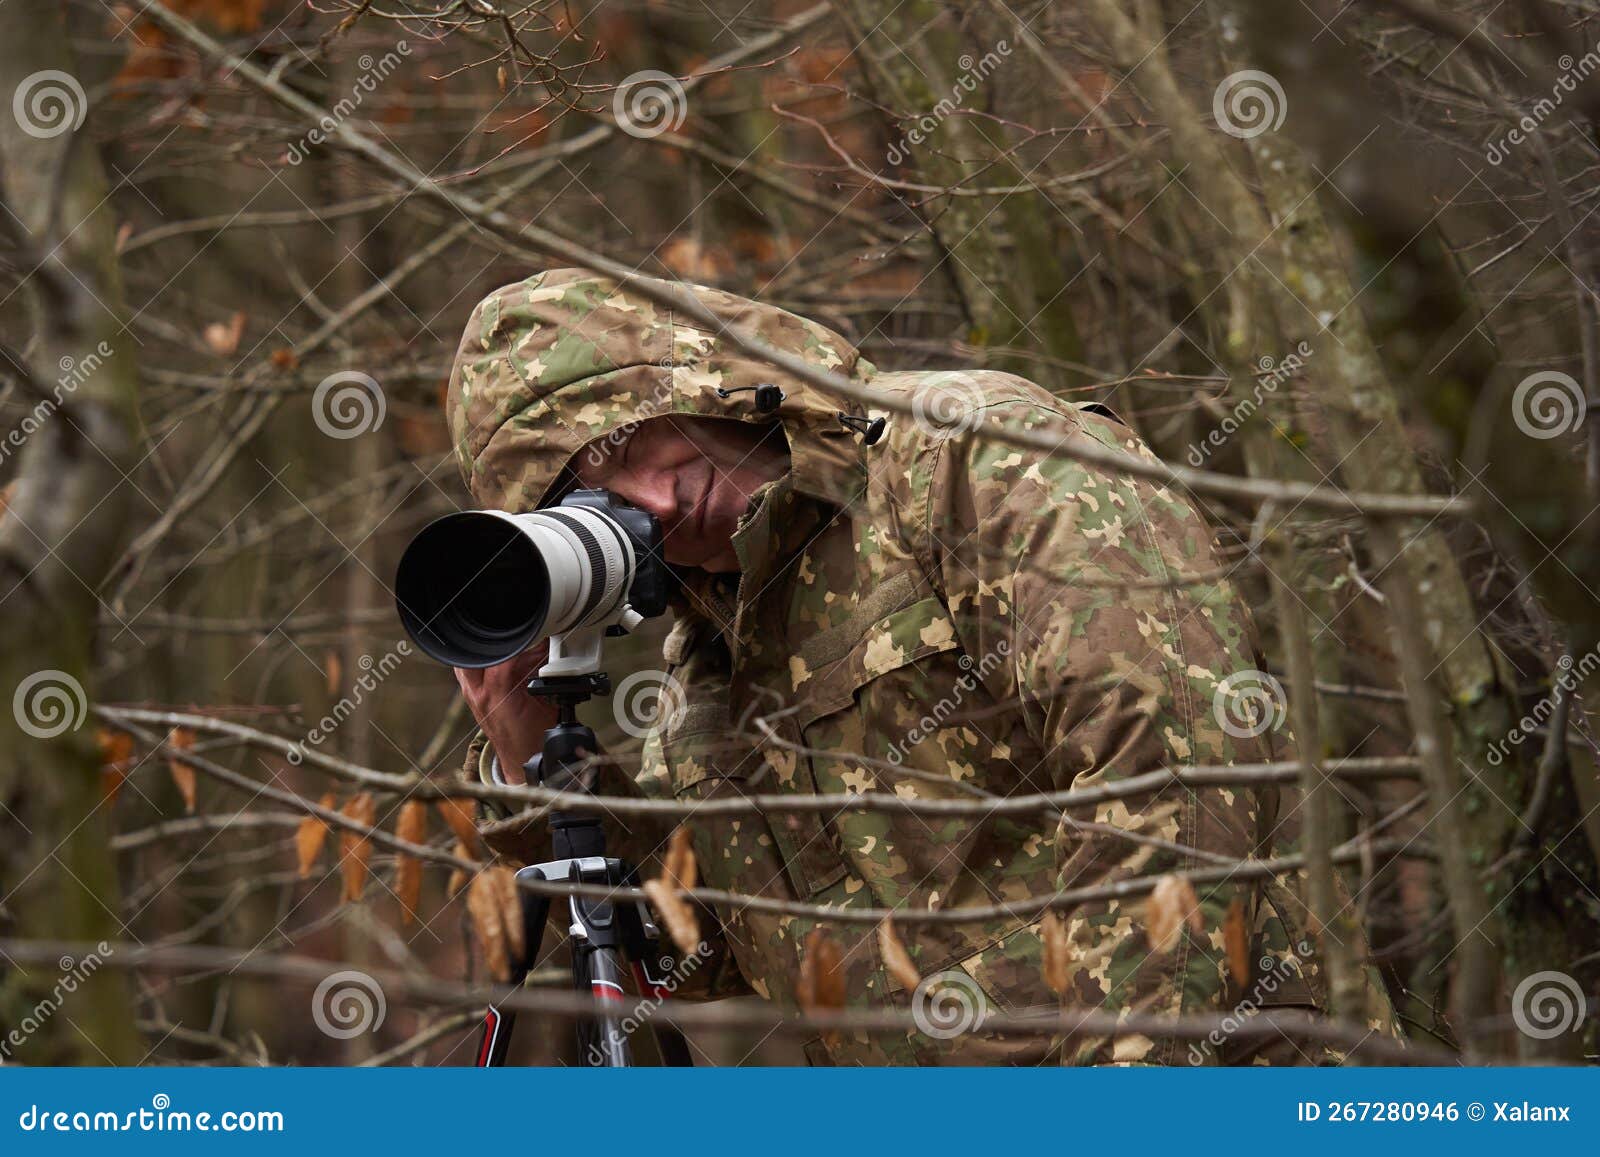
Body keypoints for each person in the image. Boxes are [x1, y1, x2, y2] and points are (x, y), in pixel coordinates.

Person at [444, 267, 1394, 1064]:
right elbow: (703, 950)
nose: (655, 498)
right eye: (596, 498)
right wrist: (532, 762)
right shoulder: (705, 668)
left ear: (690, 379)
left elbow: (1178, 776)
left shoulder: (970, 460)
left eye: (630, 438)